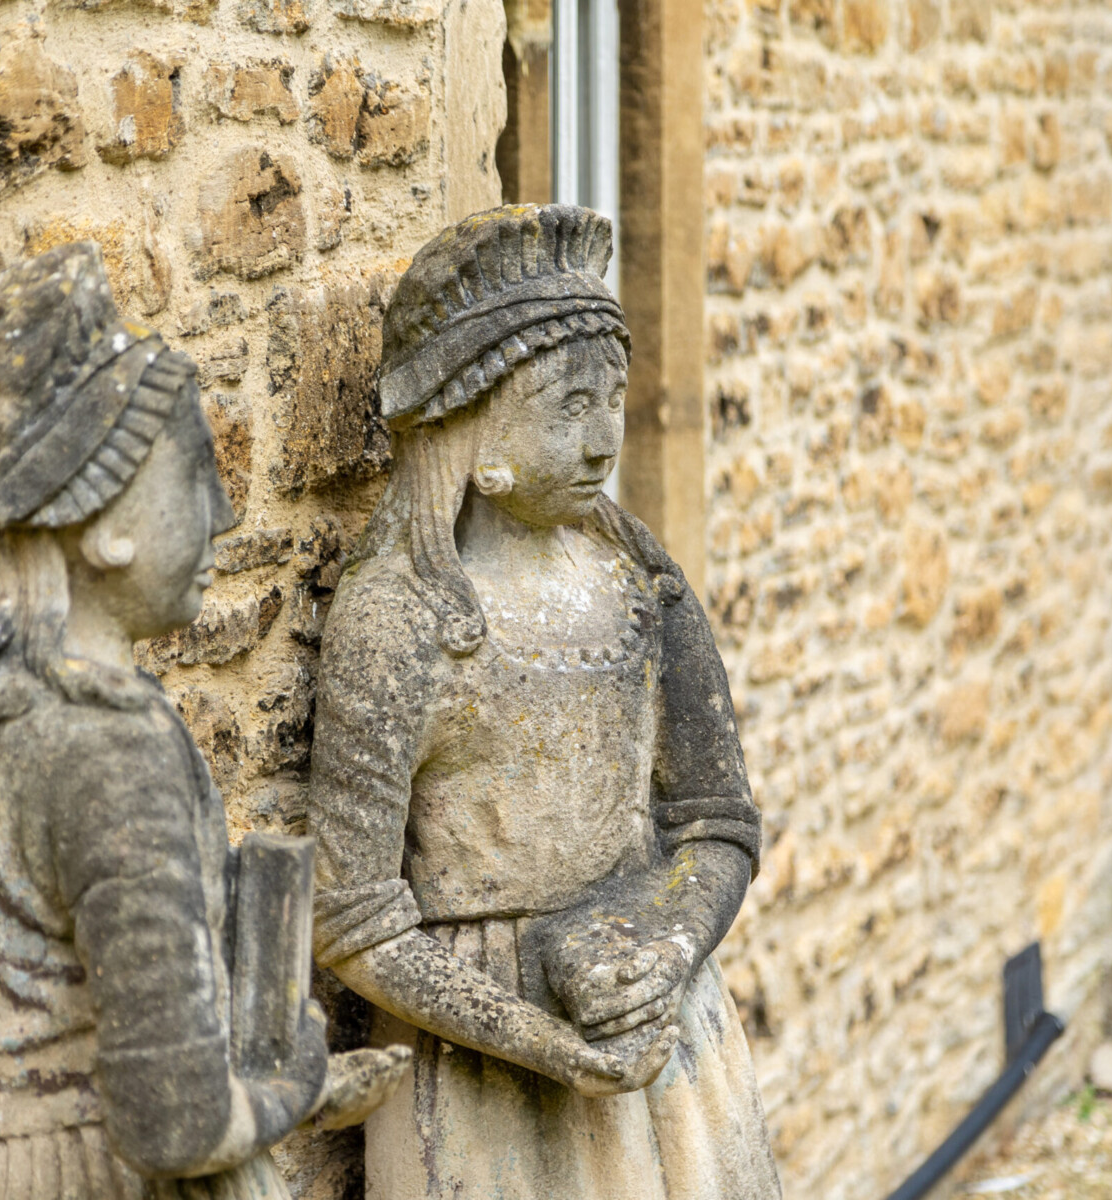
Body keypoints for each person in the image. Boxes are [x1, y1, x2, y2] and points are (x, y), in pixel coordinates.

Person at [0, 244, 399, 1200]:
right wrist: (296, 1083)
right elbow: (174, 1120)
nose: (228, 512)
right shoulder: (107, 743)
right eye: (194, 473)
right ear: (104, 522)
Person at [307, 205, 784, 1199]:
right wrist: (544, 1044)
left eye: (613, 396)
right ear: (471, 418)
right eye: (568, 403)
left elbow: (715, 820)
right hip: (483, 1072)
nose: (603, 436)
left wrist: (670, 943)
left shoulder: (642, 584)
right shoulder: (400, 620)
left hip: (662, 1034)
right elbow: (353, 923)